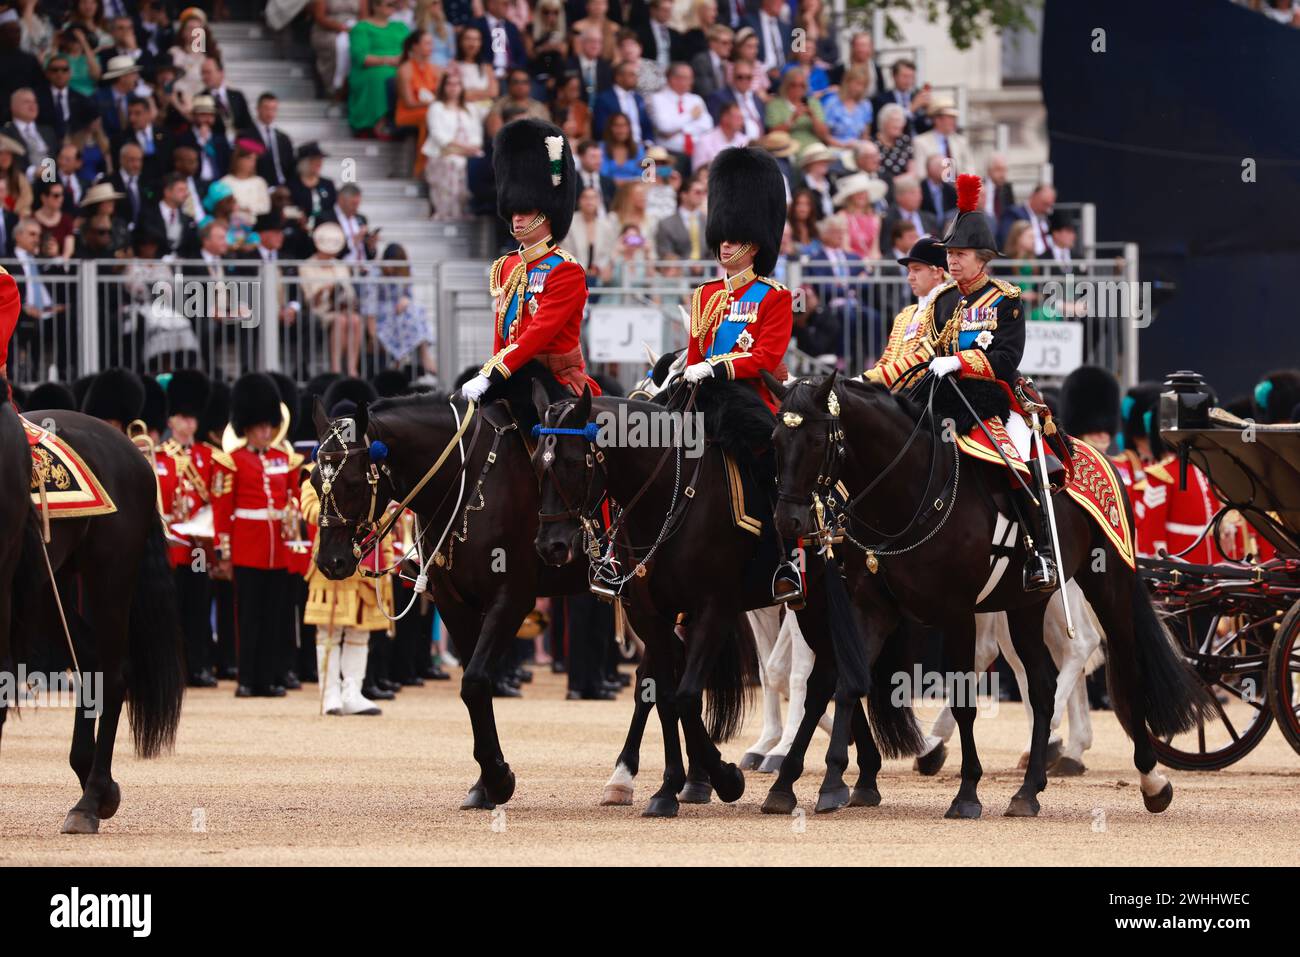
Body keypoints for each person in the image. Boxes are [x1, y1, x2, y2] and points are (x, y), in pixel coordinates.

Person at [682, 145, 799, 602]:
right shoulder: (704, 295)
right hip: (702, 398)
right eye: (722, 238)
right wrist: (687, 371)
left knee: (775, 465)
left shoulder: (775, 296)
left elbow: (767, 357)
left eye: (734, 239)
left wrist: (717, 365)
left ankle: (786, 560)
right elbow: (695, 352)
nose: (725, 245)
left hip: (748, 399)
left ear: (755, 243)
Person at [926, 174, 1052, 589]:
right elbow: (928, 349)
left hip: (994, 395)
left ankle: (1040, 550)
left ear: (983, 259)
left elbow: (1005, 359)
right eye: (949, 253)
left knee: (1017, 457)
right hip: (942, 393)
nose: (953, 261)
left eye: (961, 254)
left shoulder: (1005, 299)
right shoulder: (942, 301)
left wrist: (960, 362)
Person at [458, 118, 600, 404]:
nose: (516, 217)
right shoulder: (507, 266)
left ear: (547, 212)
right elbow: (502, 336)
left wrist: (493, 373)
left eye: (524, 210)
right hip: (514, 375)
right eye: (513, 211)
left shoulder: (566, 270)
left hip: (556, 383)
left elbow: (539, 334)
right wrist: (493, 374)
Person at [212, 372, 299, 698]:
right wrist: (223, 551)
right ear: (246, 427)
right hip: (248, 549)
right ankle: (247, 678)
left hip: (279, 549)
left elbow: (293, 501)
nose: (266, 431)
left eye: (269, 425)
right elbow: (223, 511)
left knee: (276, 618)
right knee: (248, 617)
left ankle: (272, 677)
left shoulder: (285, 461)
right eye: (260, 426)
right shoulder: (232, 462)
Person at [154, 369, 219, 688]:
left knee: (199, 605)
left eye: (192, 418)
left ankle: (199, 665)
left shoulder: (208, 457)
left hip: (198, 544)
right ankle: (172, 670)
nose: (188, 424)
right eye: (182, 417)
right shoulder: (159, 458)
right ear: (171, 421)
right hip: (172, 543)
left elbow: (216, 500)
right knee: (171, 609)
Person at [863, 235, 948, 388]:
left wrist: (868, 380)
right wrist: (868, 381)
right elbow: (886, 358)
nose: (910, 277)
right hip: (896, 395)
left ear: (937, 272)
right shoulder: (906, 314)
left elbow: (922, 361)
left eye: (916, 270)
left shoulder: (945, 308)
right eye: (909, 271)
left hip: (925, 396)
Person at [301, 221, 364, 375]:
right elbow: (310, 300)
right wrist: (325, 289)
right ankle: (335, 369)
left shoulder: (341, 266)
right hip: (321, 311)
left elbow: (349, 292)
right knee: (340, 321)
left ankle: (352, 369)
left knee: (355, 320)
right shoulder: (306, 266)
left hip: (343, 308)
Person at [422, 70, 482, 219]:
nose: (453, 87)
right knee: (453, 163)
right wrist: (460, 149)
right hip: (442, 153)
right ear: (443, 87)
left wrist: (466, 149)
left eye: (457, 84)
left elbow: (477, 135)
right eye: (449, 84)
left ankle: (469, 209)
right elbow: (438, 135)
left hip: (468, 152)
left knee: (475, 163)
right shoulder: (436, 107)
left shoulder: (471, 108)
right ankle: (449, 213)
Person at [347, 0, 410, 137]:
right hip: (370, 69)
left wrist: (401, 60)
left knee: (407, 75)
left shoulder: (400, 27)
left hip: (399, 66)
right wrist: (387, 60)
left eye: (394, 4)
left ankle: (403, 121)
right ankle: (379, 122)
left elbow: (409, 50)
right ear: (375, 6)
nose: (392, 7)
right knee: (384, 76)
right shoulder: (362, 28)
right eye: (389, 4)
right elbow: (361, 57)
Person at [452, 26, 498, 124]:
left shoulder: (487, 66)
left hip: (487, 108)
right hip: (464, 108)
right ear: (460, 42)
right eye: (468, 39)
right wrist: (483, 92)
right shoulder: (453, 65)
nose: (472, 43)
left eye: (476, 39)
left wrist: (471, 92)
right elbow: (457, 94)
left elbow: (493, 92)